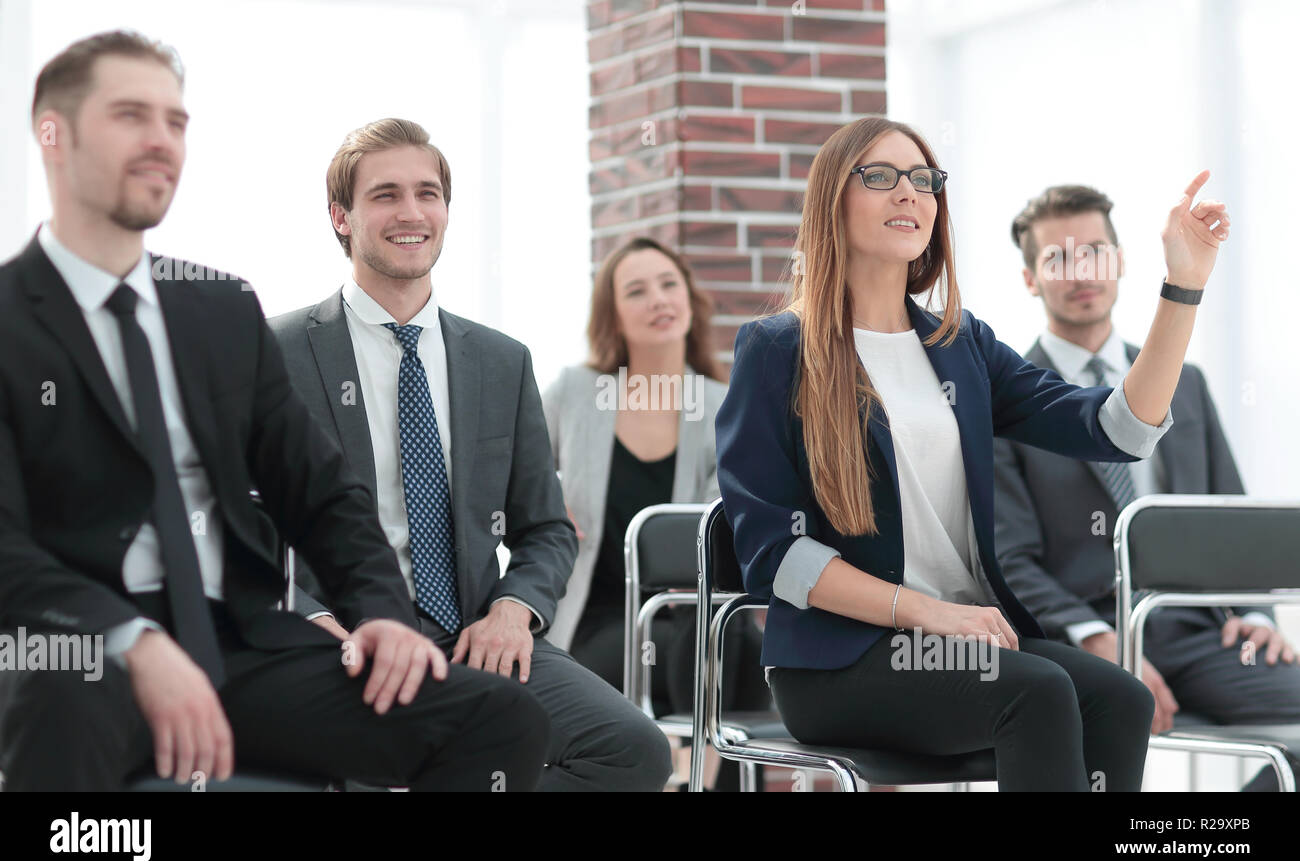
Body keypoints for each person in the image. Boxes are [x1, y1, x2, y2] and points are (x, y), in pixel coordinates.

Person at [0, 31, 549, 792]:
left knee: (497, 717)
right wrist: (134, 639)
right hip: (79, 653)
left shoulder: (218, 308)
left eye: (176, 121)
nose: (162, 140)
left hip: (242, 644)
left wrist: (381, 612)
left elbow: (319, 491)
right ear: (51, 135)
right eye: (131, 115)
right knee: (67, 717)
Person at [716, 116, 1232, 791]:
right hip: (839, 660)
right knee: (1039, 692)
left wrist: (1182, 288)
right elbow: (773, 556)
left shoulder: (961, 345)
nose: (909, 193)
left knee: (1121, 698)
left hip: (968, 643)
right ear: (831, 203)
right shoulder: (777, 350)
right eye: (880, 176)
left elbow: (1119, 430)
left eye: (923, 179)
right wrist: (927, 610)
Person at [268, 118, 672, 792]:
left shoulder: (500, 361)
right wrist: (318, 625)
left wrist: (513, 611)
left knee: (633, 751)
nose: (411, 213)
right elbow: (245, 530)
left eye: (428, 193)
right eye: (385, 195)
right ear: (341, 217)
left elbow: (545, 530)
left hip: (475, 638)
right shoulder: (276, 353)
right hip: (344, 639)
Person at [993, 183, 1299, 790]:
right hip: (1081, 639)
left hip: (1196, 631)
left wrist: (1258, 613)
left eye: (1098, 253)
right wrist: (1099, 637)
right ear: (1030, 278)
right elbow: (1009, 557)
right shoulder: (1008, 396)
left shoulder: (1185, 384)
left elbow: (1231, 522)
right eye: (1058, 258)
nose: (1083, 272)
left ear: (1124, 260)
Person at [542, 237, 769, 789]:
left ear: (690, 301)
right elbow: (504, 474)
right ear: (613, 315)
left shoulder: (723, 405)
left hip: (695, 615)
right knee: (717, 651)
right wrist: (540, 508)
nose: (658, 300)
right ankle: (699, 765)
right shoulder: (575, 393)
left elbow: (727, 531)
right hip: (600, 619)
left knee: (732, 637)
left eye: (669, 284)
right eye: (637, 291)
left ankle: (695, 761)